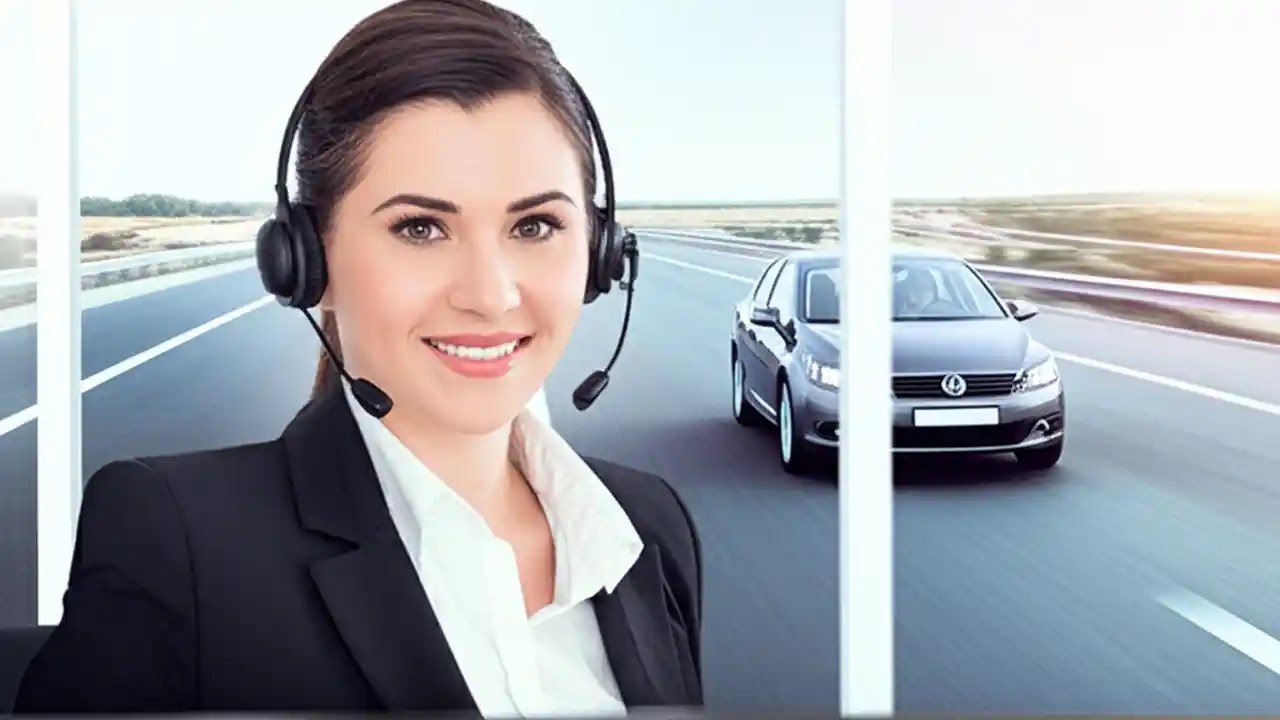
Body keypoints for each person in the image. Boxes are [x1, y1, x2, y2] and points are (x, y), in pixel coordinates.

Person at [14, 0, 703, 715]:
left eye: (535, 224)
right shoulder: (172, 543)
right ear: (308, 265)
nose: (491, 295)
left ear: (599, 254)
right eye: (421, 228)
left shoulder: (647, 528)